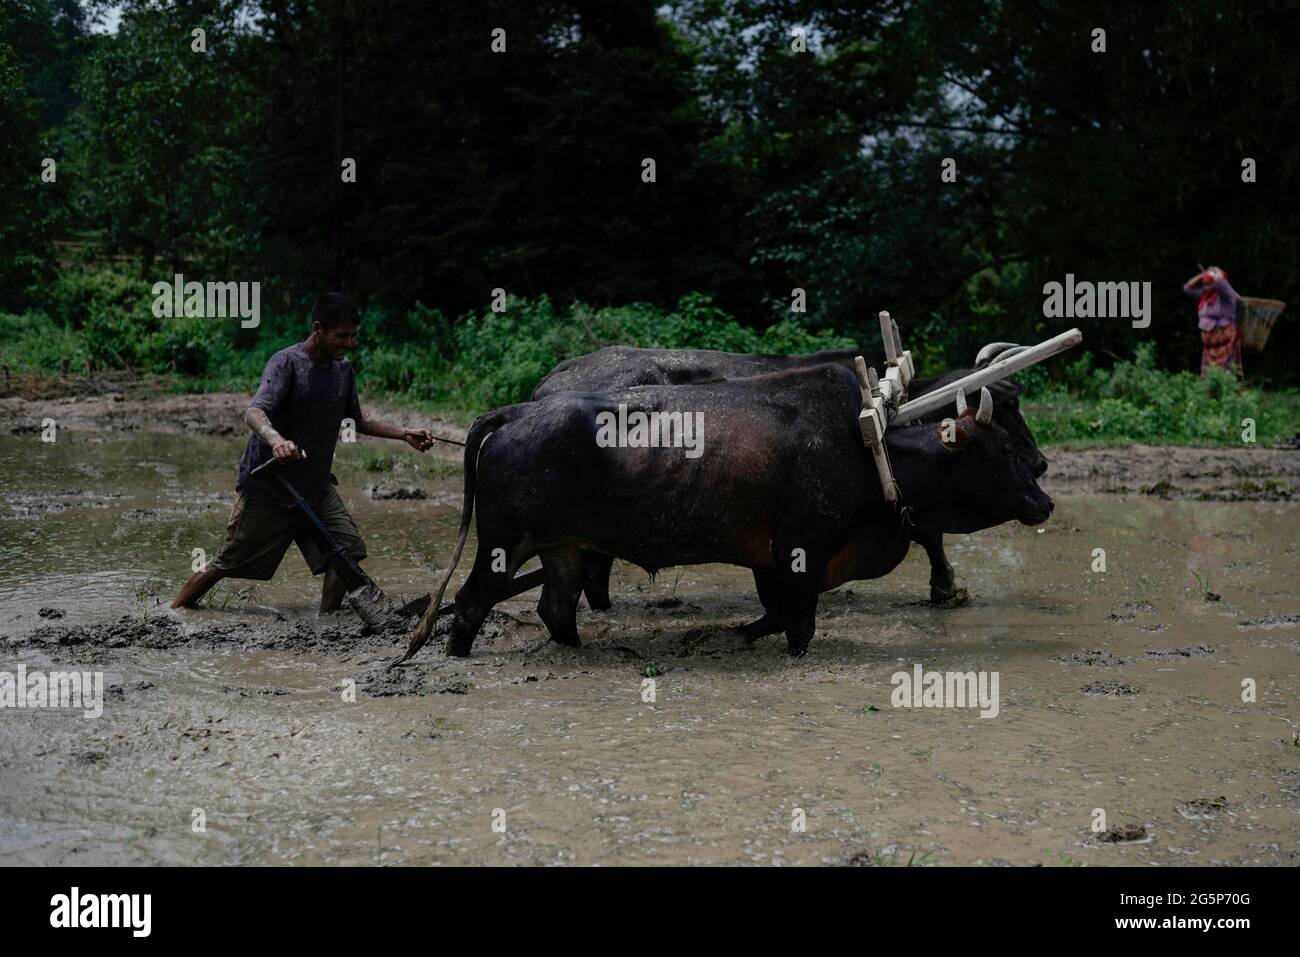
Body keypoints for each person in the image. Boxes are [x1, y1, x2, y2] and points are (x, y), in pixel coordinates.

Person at [172, 292, 434, 612]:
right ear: (318, 329)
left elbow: (358, 421)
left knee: (346, 550)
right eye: (341, 335)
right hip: (271, 485)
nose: (349, 343)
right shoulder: (287, 363)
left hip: (315, 486)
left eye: (353, 335)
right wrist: (276, 440)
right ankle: (175, 612)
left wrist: (404, 434)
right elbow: (255, 412)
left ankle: (327, 620)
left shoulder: (343, 370)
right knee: (227, 562)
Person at [1183, 266, 1242, 376]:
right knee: (1208, 373)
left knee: (1225, 372)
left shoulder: (1226, 295)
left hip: (1225, 340)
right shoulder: (1204, 296)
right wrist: (1203, 274)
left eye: (1209, 284)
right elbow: (1187, 288)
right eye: (1204, 284)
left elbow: (1221, 283)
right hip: (1210, 343)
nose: (1205, 287)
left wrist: (1216, 272)